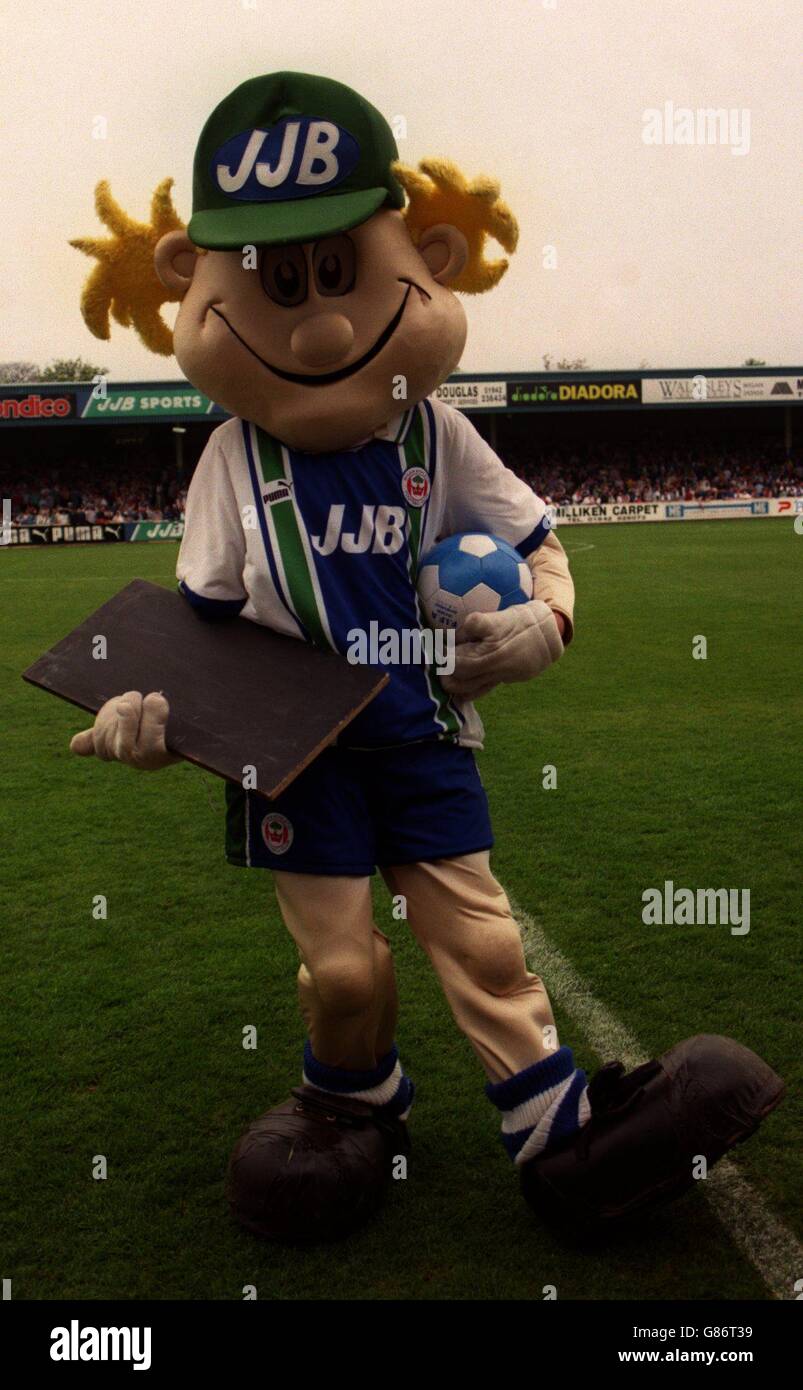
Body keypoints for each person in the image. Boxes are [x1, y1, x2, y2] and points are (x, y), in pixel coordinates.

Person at [67, 71, 782, 1240]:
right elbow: (194, 632)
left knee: (486, 945)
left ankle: (557, 1136)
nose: (318, 318)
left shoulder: (431, 428)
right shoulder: (228, 464)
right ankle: (354, 1095)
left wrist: (540, 624)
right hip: (296, 759)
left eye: (337, 268)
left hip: (418, 733)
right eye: (274, 280)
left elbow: (538, 541)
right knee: (344, 975)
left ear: (425, 250)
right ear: (187, 287)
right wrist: (152, 724)